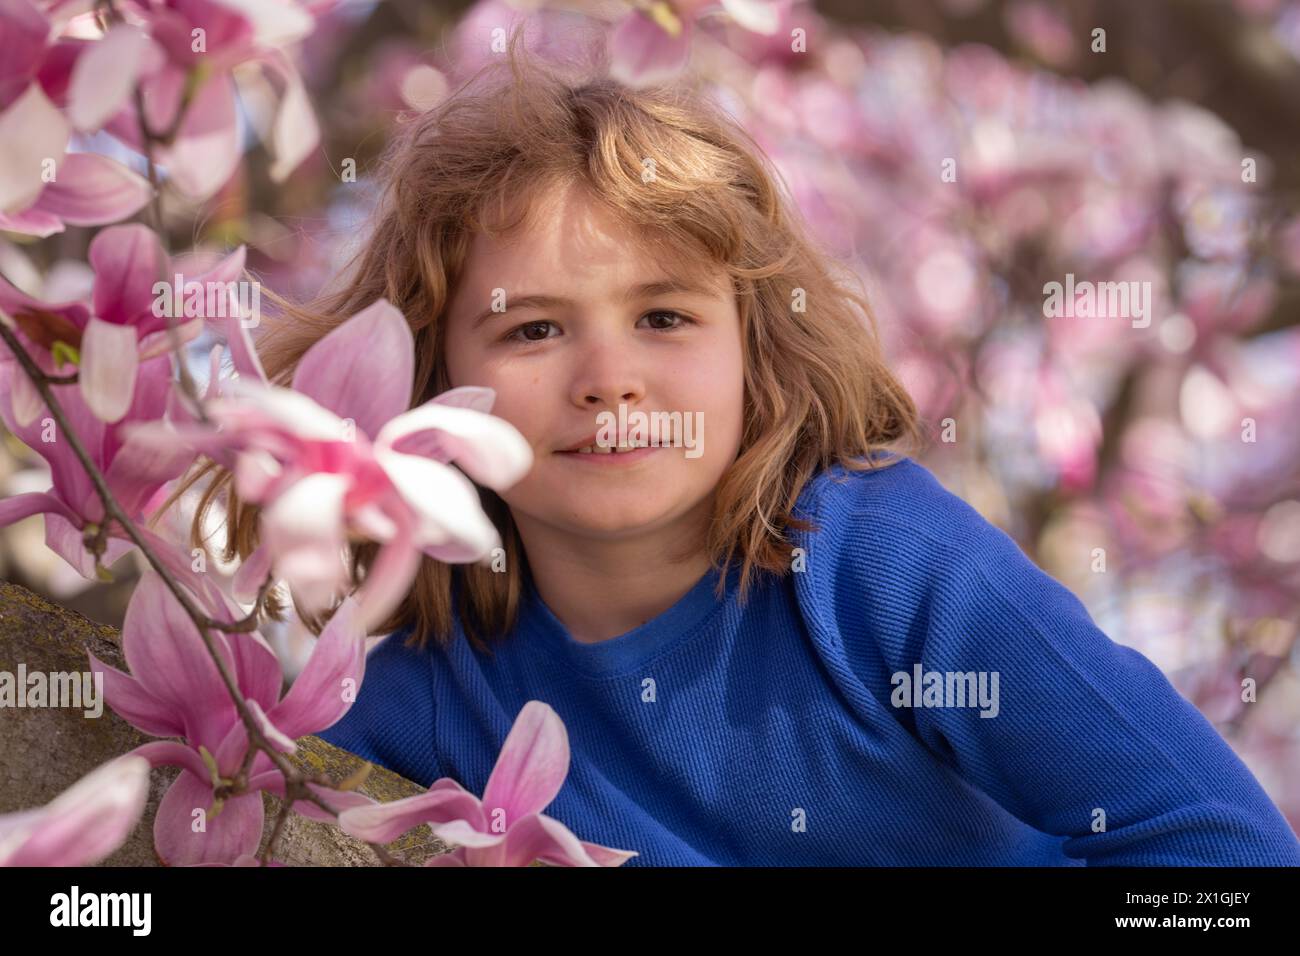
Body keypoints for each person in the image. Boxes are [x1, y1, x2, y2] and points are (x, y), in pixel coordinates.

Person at [199, 36, 1300, 866]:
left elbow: (1220, 850)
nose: (606, 375)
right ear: (427, 385)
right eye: (532, 327)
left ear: (755, 357)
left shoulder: (885, 568)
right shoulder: (417, 709)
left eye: (665, 318)